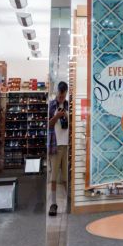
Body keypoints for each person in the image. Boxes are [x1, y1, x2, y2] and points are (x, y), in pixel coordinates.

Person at [47, 81, 70, 217]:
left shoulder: (68, 105)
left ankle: (68, 202)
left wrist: (66, 116)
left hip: (66, 146)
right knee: (54, 177)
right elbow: (48, 125)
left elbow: (72, 124)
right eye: (60, 96)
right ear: (57, 92)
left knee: (66, 177)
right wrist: (57, 116)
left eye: (63, 96)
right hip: (55, 145)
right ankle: (53, 203)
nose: (61, 98)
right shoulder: (51, 105)